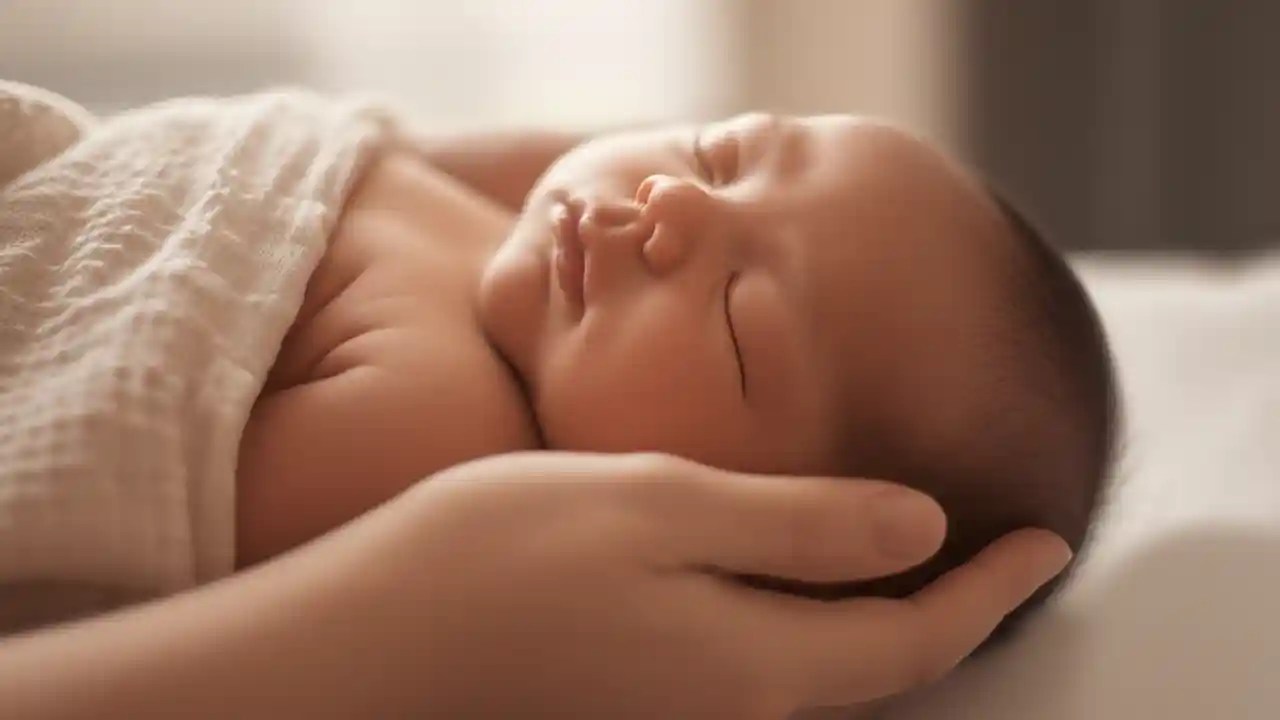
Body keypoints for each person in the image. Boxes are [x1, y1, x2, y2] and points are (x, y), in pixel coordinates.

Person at [0, 451, 1073, 719]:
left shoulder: (429, 449)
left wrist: (392, 627)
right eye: (723, 150)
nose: (669, 206)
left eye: (738, 321)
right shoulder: (453, 197)